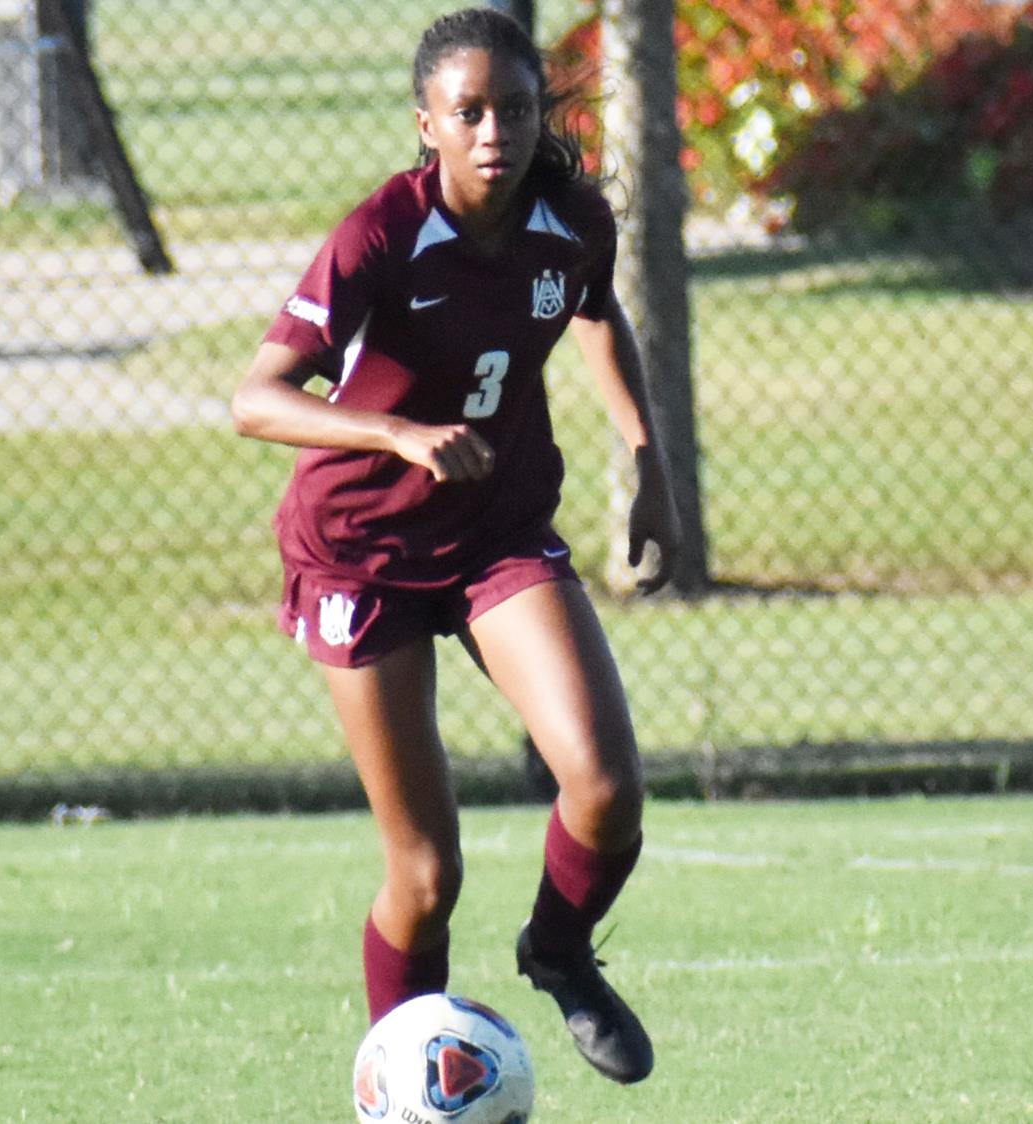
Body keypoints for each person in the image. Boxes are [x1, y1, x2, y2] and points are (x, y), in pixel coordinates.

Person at [229, 6, 678, 1086]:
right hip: (358, 553)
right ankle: (413, 1081)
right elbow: (255, 399)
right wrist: (394, 431)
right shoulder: (379, 233)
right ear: (424, 122)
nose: (493, 131)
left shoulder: (568, 220)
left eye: (514, 108)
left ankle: (558, 952)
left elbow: (595, 312)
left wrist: (644, 456)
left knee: (607, 784)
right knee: (426, 872)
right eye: (467, 111)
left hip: (493, 531)